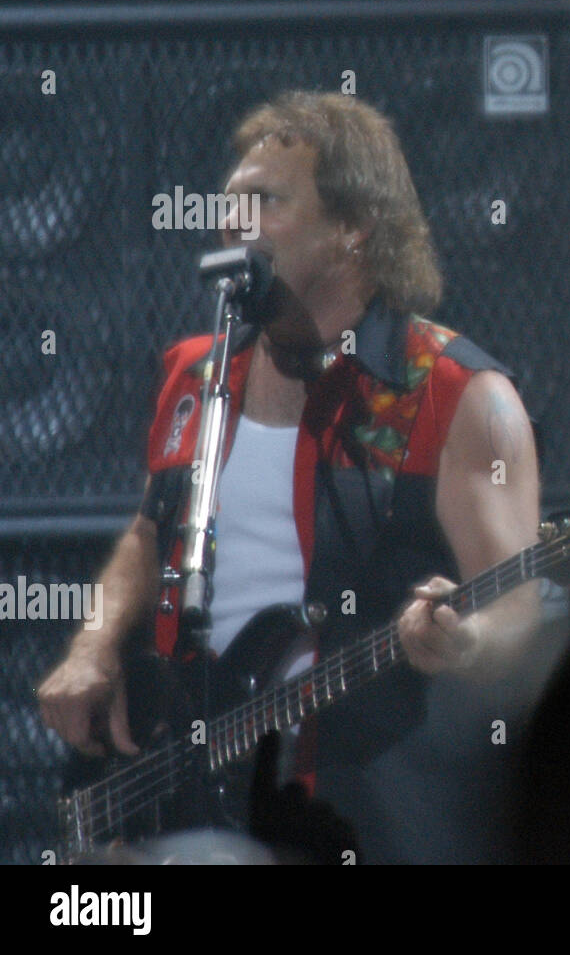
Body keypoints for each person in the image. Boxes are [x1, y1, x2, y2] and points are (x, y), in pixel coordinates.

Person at [38, 91, 541, 860]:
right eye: (227, 203)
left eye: (264, 202)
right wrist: (95, 645)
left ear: (353, 226)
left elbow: (517, 607)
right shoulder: (194, 377)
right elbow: (148, 534)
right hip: (179, 788)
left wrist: (465, 642)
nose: (231, 222)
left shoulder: (457, 395)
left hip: (355, 808)